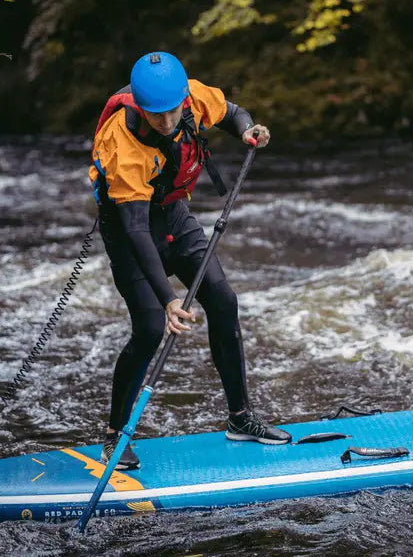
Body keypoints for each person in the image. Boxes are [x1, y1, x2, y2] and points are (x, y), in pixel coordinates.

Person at [89, 51, 291, 471]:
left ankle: (240, 417)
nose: (166, 122)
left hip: (176, 215)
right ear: (141, 107)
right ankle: (114, 436)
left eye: (172, 112)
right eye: (155, 114)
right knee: (147, 329)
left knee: (222, 298)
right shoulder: (121, 142)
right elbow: (136, 229)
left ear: (183, 98)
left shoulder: (192, 98)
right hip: (131, 229)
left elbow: (233, 112)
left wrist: (247, 130)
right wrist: (168, 299)